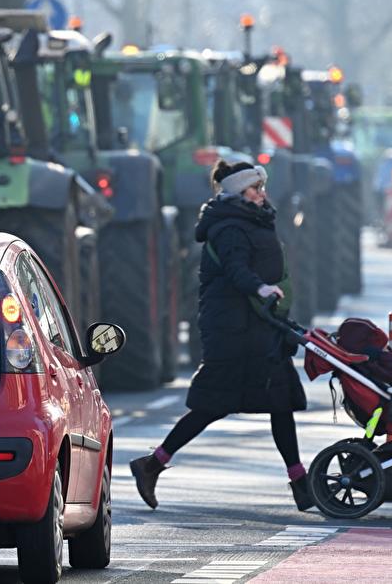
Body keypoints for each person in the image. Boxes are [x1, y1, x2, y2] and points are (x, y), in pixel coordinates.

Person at [129, 160, 312, 512]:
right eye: (254, 188)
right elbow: (235, 268)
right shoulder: (229, 227)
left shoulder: (252, 220)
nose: (262, 194)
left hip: (257, 327)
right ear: (236, 193)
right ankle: (152, 464)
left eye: (262, 187)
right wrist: (260, 288)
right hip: (233, 331)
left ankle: (300, 483)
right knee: (213, 405)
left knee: (280, 402)